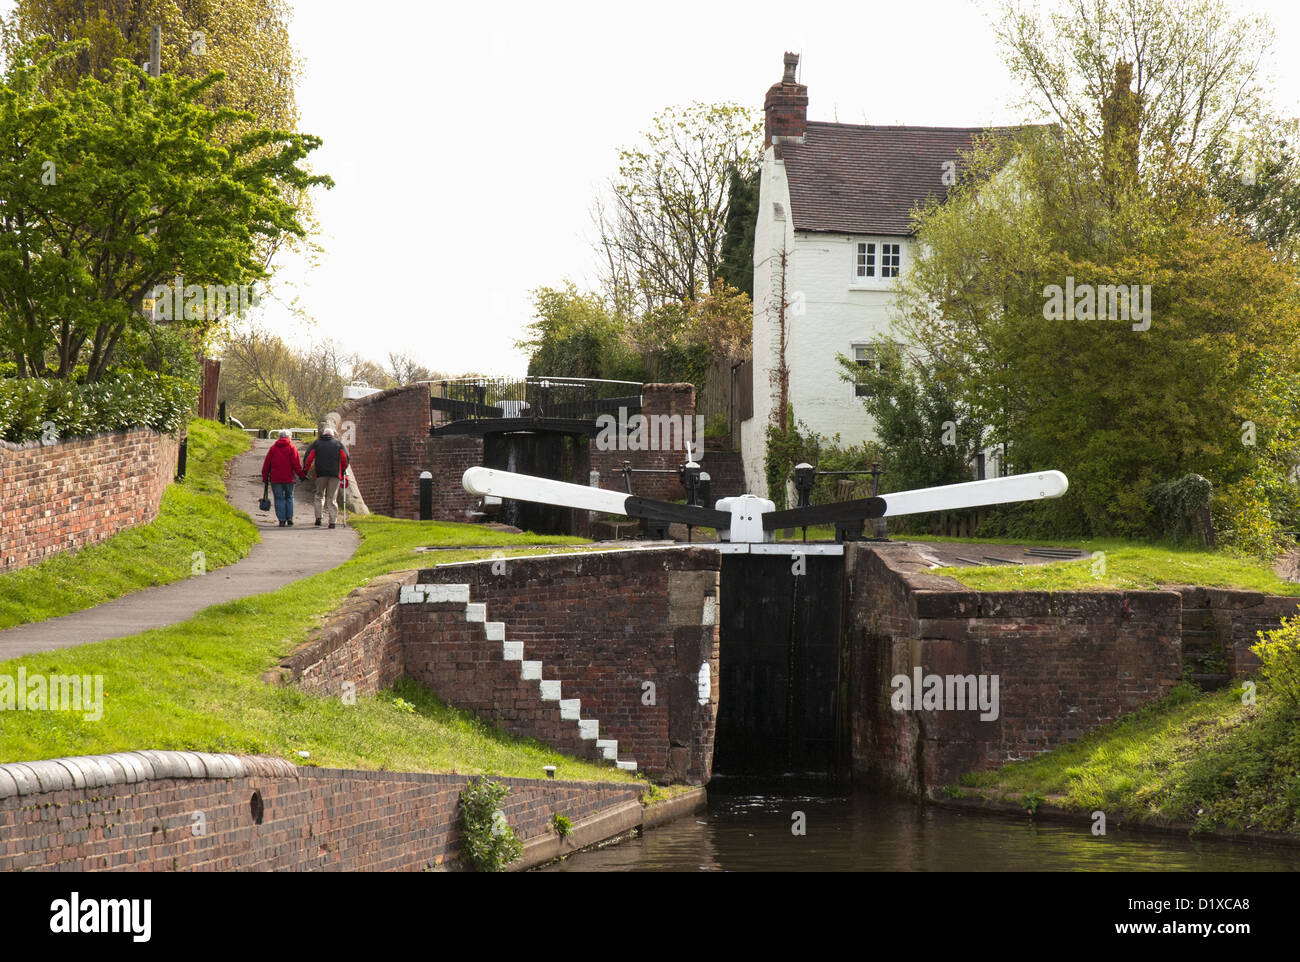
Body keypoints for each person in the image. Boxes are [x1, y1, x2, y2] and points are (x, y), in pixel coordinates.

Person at [303, 426, 350, 529]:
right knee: (332, 498)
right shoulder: (338, 444)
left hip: (320, 474)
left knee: (319, 495)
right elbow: (345, 459)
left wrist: (305, 471)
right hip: (335, 474)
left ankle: (318, 518)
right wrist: (342, 470)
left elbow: (309, 458)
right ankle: (332, 522)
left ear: (323, 434)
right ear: (332, 435)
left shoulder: (317, 443)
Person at [261, 430, 306, 526]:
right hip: (289, 478)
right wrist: (301, 475)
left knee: (279, 498)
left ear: (279, 437)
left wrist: (265, 478)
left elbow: (266, 465)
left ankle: (281, 520)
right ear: (289, 437)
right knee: (289, 497)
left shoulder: (273, 449)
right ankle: (289, 517)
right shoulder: (292, 448)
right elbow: (296, 464)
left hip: (275, 478)